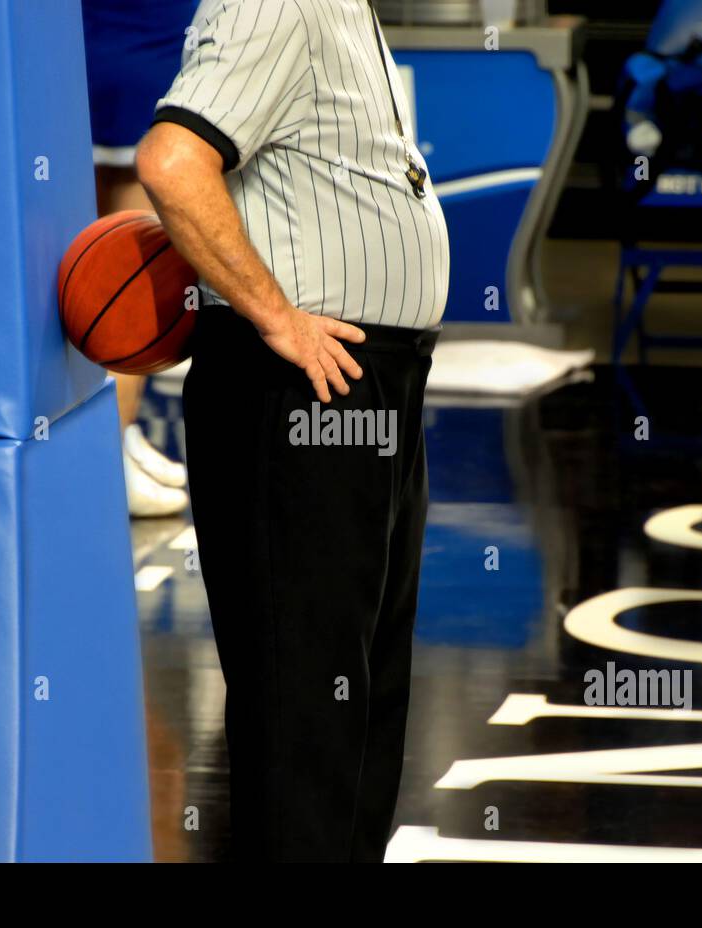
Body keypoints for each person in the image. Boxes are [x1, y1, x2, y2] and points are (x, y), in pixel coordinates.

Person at [137, 0, 449, 862]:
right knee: (306, 712)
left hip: (368, 383)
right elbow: (171, 162)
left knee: (364, 703)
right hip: (302, 390)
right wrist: (274, 316)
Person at [82, 0, 198, 517]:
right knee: (134, 280)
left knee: (83, 264)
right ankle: (104, 454)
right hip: (148, 49)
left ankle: (110, 441)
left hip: (76, 54)